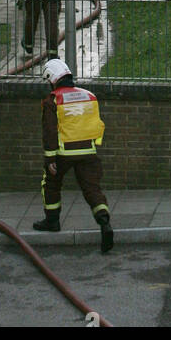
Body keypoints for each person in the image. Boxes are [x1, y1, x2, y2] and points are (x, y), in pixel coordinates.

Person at [33, 57, 114, 253]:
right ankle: (104, 223)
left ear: (52, 78)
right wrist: (93, 144)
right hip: (88, 151)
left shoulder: (53, 100)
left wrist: (50, 158)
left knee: (51, 184)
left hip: (63, 152)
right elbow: (96, 124)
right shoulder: (90, 96)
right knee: (92, 188)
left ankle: (52, 221)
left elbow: (50, 131)